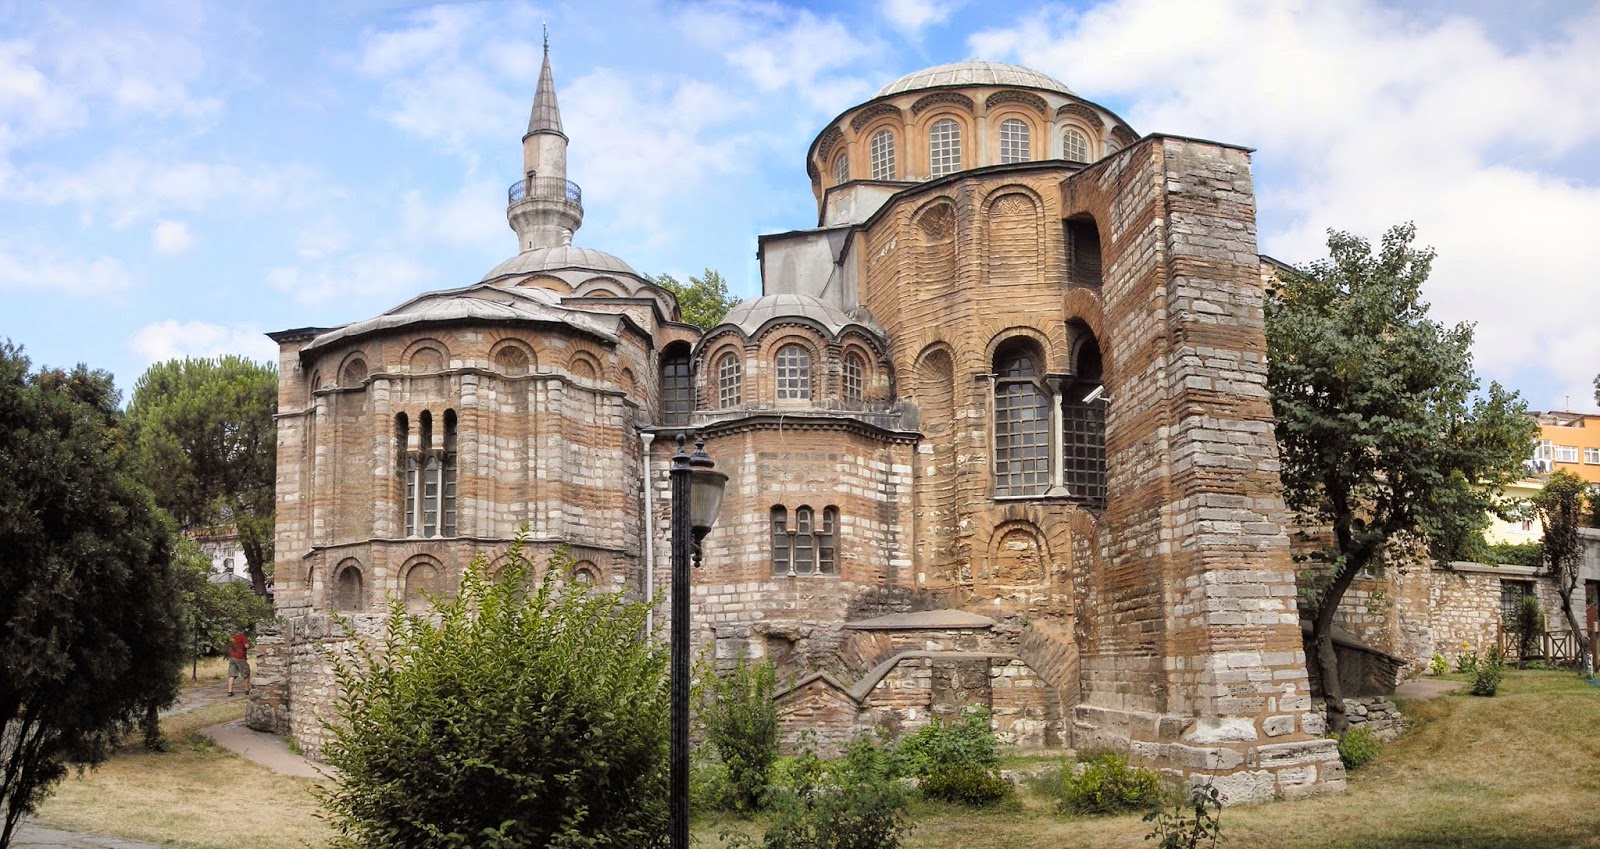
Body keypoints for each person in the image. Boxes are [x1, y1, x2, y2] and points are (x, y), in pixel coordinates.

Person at [227, 630, 252, 696]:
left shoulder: (232, 637)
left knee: (232, 674)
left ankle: (230, 691)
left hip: (232, 656)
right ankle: (247, 689)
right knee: (245, 672)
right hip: (240, 657)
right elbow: (246, 646)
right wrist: (249, 644)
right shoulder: (243, 636)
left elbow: (230, 647)